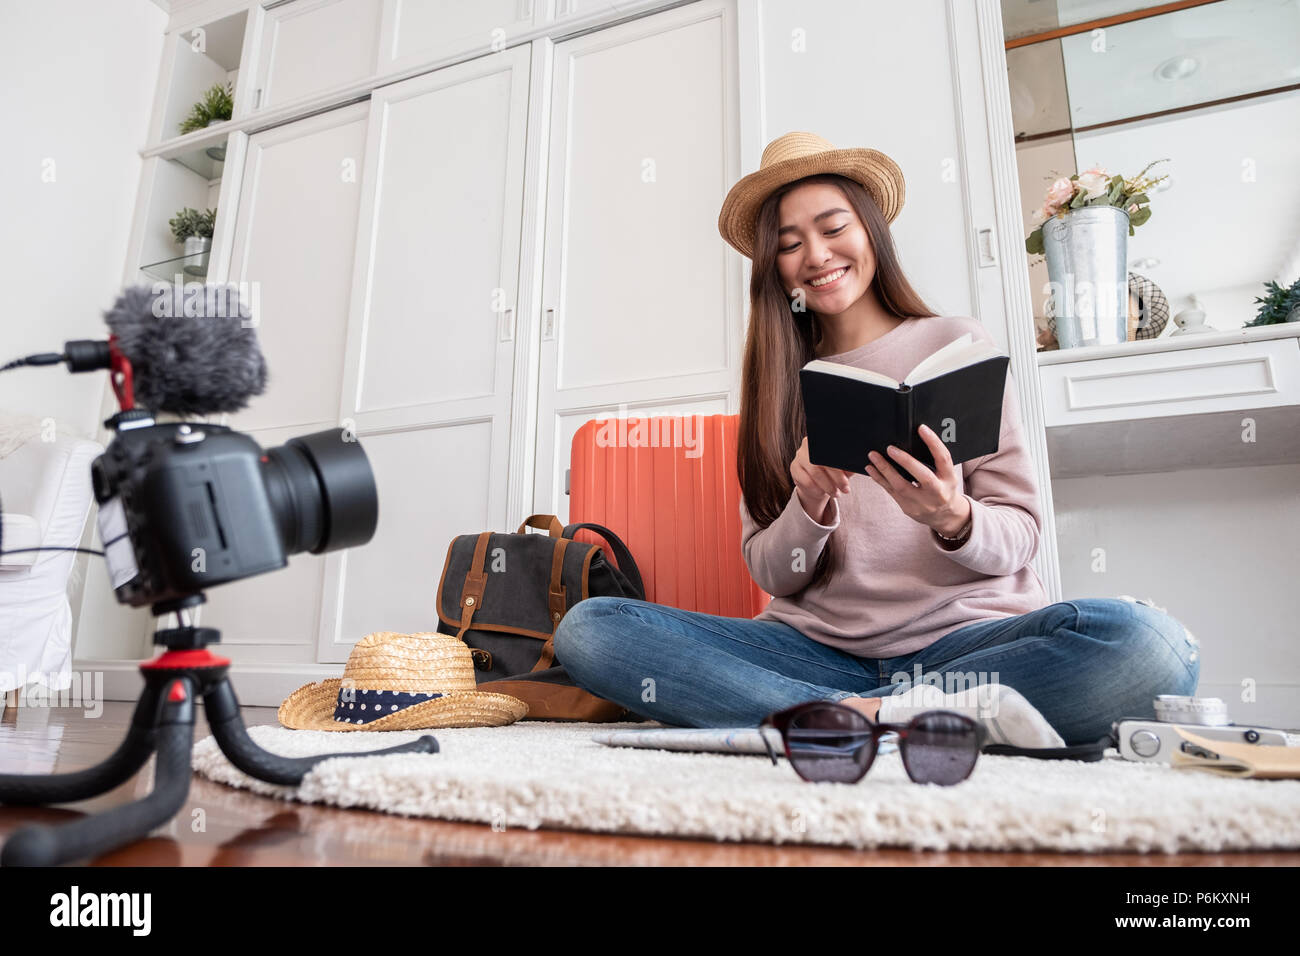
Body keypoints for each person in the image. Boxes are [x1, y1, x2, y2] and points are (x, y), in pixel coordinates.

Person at [552, 132, 1199, 746]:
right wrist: (810, 510)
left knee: (1149, 648)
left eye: (833, 228)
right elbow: (770, 570)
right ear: (773, 267)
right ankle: (901, 717)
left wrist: (953, 517)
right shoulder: (776, 387)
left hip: (967, 646)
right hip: (814, 655)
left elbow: (1022, 536)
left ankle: (847, 719)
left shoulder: (955, 345)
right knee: (593, 630)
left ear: (870, 229)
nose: (816, 254)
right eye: (789, 242)